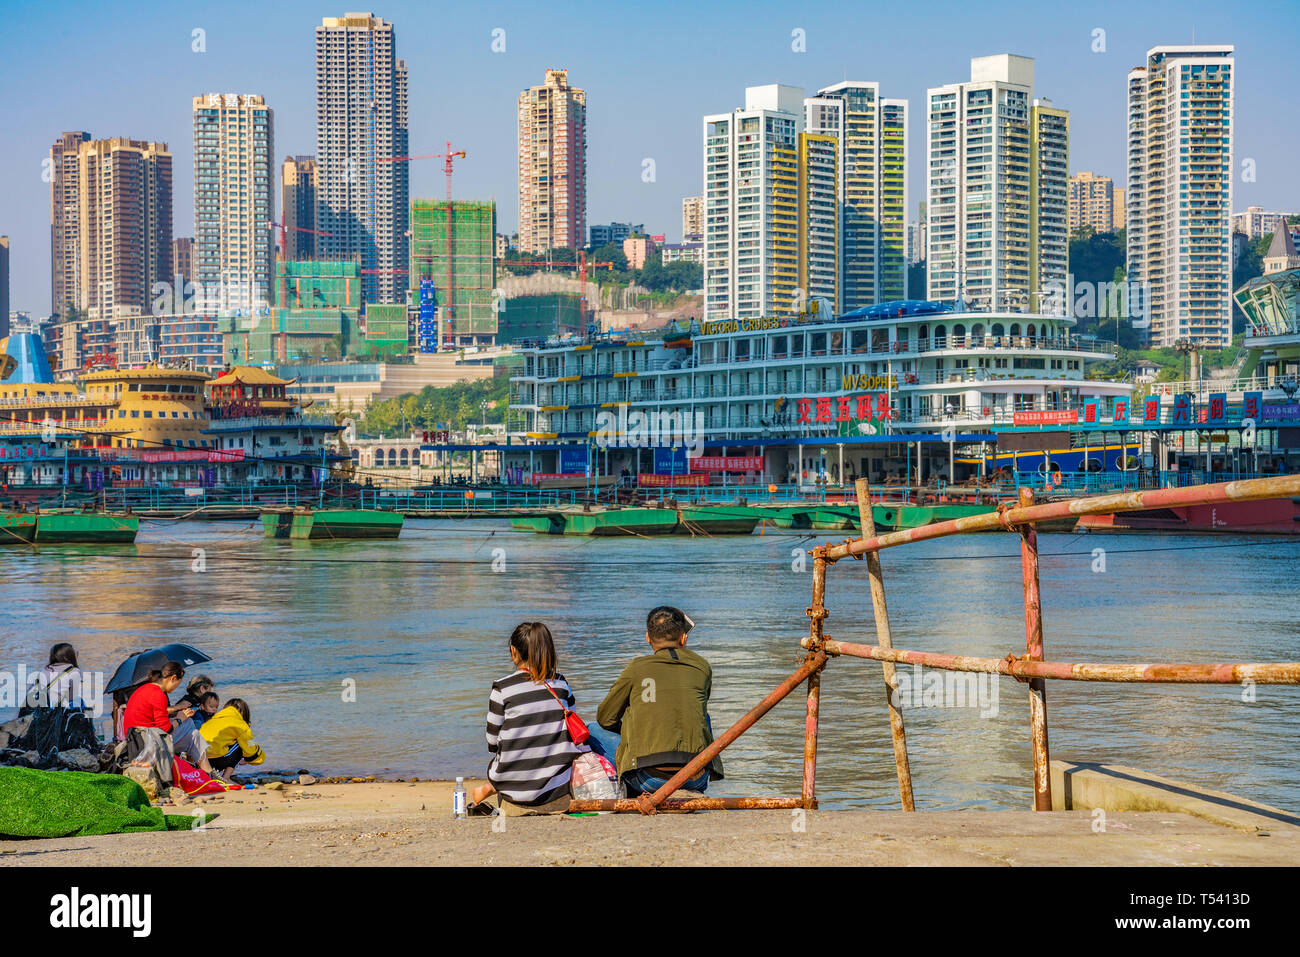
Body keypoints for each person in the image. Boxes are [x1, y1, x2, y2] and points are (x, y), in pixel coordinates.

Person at [590, 606, 722, 797]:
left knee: (593, 730)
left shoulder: (637, 668)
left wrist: (634, 734)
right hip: (696, 778)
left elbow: (605, 719)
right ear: (683, 638)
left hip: (648, 779)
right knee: (703, 716)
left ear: (647, 637)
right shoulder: (702, 667)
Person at [469, 622, 584, 812]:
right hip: (557, 788)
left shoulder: (502, 689)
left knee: (507, 753)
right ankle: (491, 787)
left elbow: (492, 743)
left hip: (514, 790)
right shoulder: (561, 684)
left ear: (514, 652)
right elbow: (572, 729)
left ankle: (492, 787)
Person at [200, 698, 265, 780]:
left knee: (229, 743)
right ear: (243, 712)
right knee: (241, 744)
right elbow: (251, 749)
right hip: (215, 760)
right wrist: (252, 759)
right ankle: (225, 778)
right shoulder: (240, 724)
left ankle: (208, 774)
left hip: (201, 761)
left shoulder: (212, 720)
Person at [122, 662, 190, 737]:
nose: (176, 687)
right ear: (173, 678)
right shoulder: (158, 694)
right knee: (189, 726)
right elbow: (166, 730)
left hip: (133, 737)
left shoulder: (145, 688)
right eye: (178, 683)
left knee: (187, 726)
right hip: (145, 741)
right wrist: (180, 719)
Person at [26, 643, 87, 711]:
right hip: (58, 712)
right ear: (70, 656)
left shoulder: (45, 669)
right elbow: (72, 697)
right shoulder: (74, 672)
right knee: (80, 701)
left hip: (42, 710)